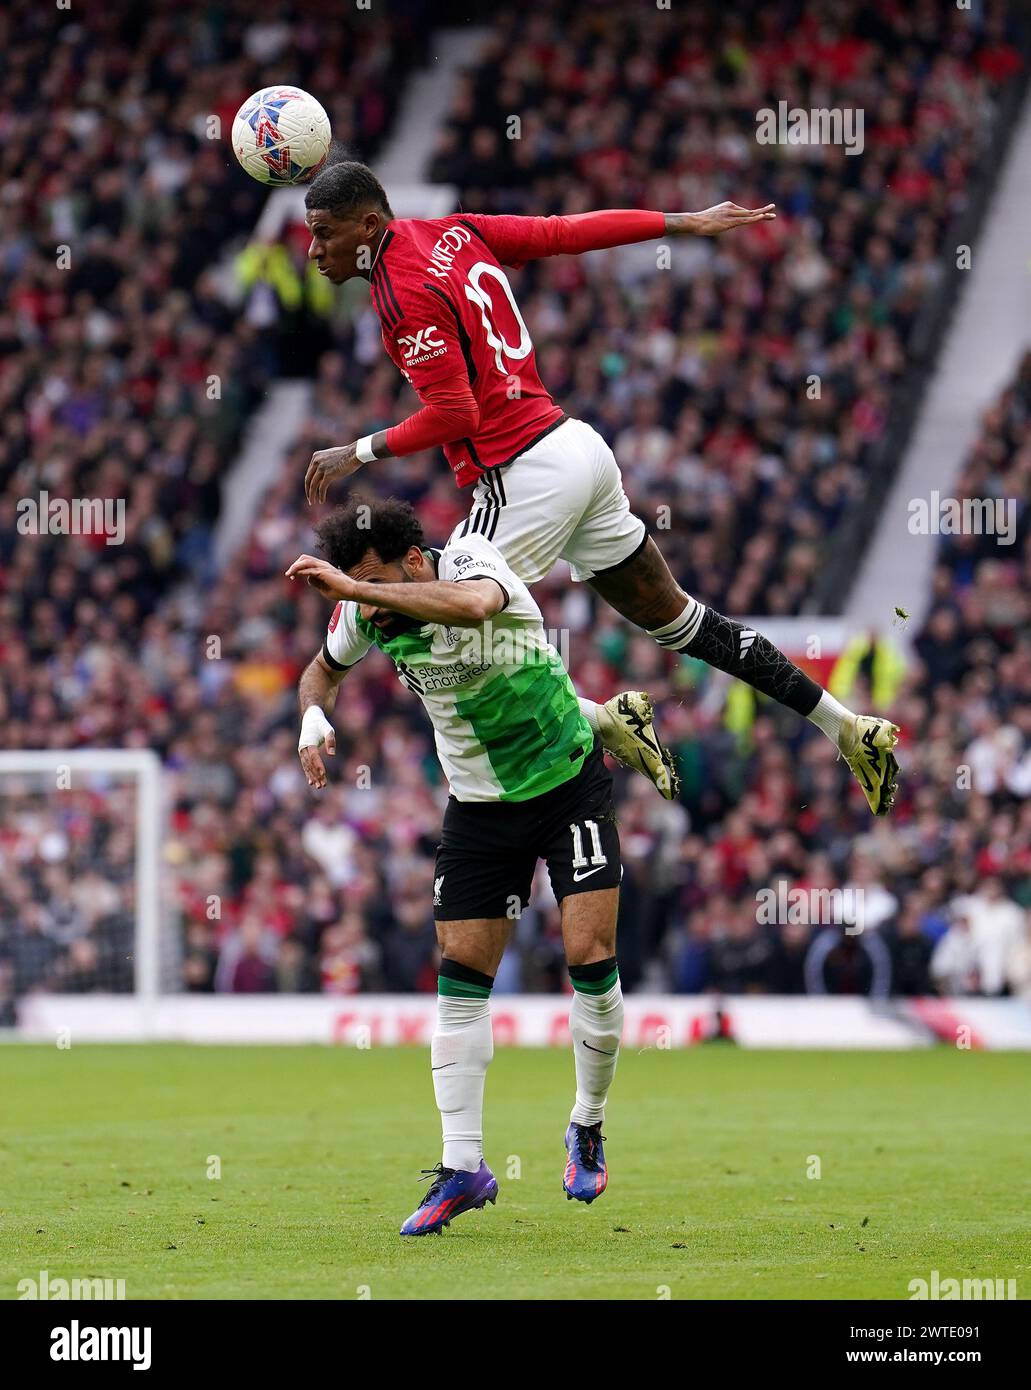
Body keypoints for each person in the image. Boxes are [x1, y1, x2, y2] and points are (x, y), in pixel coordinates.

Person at [300, 161, 900, 815]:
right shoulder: (453, 231)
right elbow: (564, 233)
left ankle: (605, 720)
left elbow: (458, 415)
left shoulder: (398, 293)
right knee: (682, 624)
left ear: (367, 225)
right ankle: (845, 726)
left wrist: (357, 451)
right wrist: (680, 221)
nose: (313, 249)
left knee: (437, 618)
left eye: (323, 232)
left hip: (518, 473)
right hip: (576, 448)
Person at [288, 495, 646, 1235]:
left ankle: (586, 1122)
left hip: (566, 783)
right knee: (459, 976)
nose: (374, 607)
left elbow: (479, 607)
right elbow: (318, 673)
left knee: (589, 954)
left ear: (413, 563)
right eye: (363, 588)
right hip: (480, 809)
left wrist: (358, 588)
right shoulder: (365, 610)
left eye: (381, 584)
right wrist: (312, 718)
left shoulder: (472, 559)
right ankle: (462, 1168)